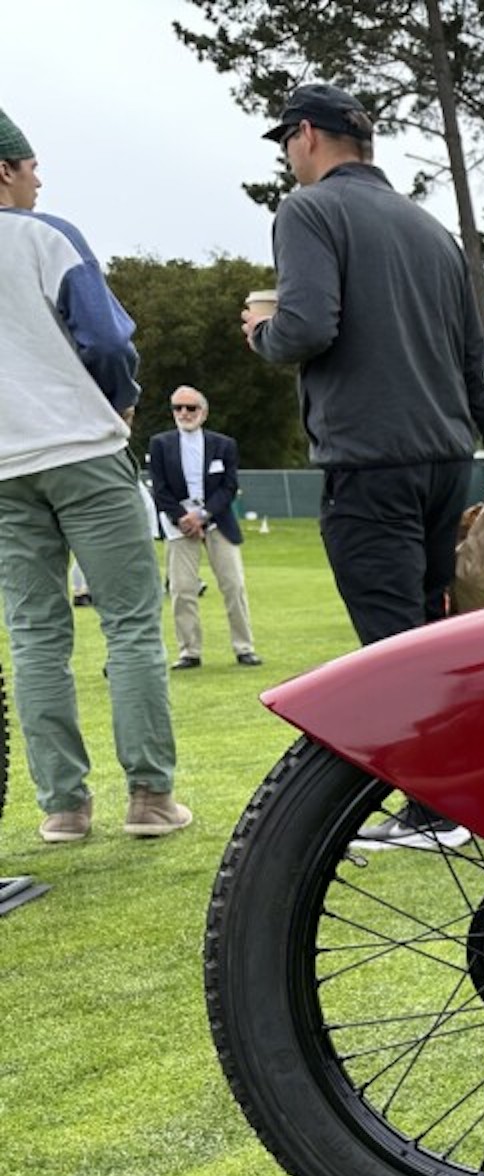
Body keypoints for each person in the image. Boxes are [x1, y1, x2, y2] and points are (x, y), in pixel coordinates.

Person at [246, 83, 484, 848]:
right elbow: (475, 360)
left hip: (370, 462)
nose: (287, 156)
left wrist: (262, 332)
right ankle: (460, 795)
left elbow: (306, 327)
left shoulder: (308, 211)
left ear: (306, 134)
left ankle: (435, 810)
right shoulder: (431, 230)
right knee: (427, 632)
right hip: (447, 461)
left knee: (393, 647)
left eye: (285, 141)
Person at [0, 107, 191, 842]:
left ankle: (63, 807)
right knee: (131, 625)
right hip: (82, 450)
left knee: (35, 636)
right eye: (32, 166)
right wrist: (120, 402)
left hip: (6, 472)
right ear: (5, 169)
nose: (39, 180)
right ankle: (149, 797)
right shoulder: (48, 235)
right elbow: (108, 341)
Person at [147, 386, 261, 669]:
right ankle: (189, 651)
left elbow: (229, 487)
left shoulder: (223, 445)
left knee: (233, 585)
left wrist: (204, 515)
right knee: (182, 589)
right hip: (179, 525)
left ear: (204, 412)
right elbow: (159, 488)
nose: (184, 413)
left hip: (217, 521)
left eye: (191, 408)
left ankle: (244, 647)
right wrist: (182, 518)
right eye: (178, 408)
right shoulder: (160, 444)